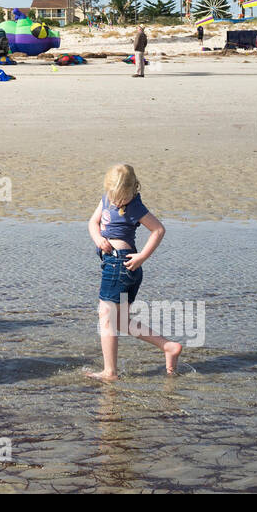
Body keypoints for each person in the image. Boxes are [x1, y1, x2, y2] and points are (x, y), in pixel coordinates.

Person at [85, 163, 180, 380]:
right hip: (115, 264)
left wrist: (143, 256)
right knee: (120, 322)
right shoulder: (106, 198)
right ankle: (168, 346)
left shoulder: (135, 206)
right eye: (115, 196)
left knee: (107, 320)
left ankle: (110, 372)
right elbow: (93, 222)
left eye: (123, 196)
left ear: (133, 189)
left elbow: (158, 229)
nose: (118, 201)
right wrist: (99, 238)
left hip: (121, 266)